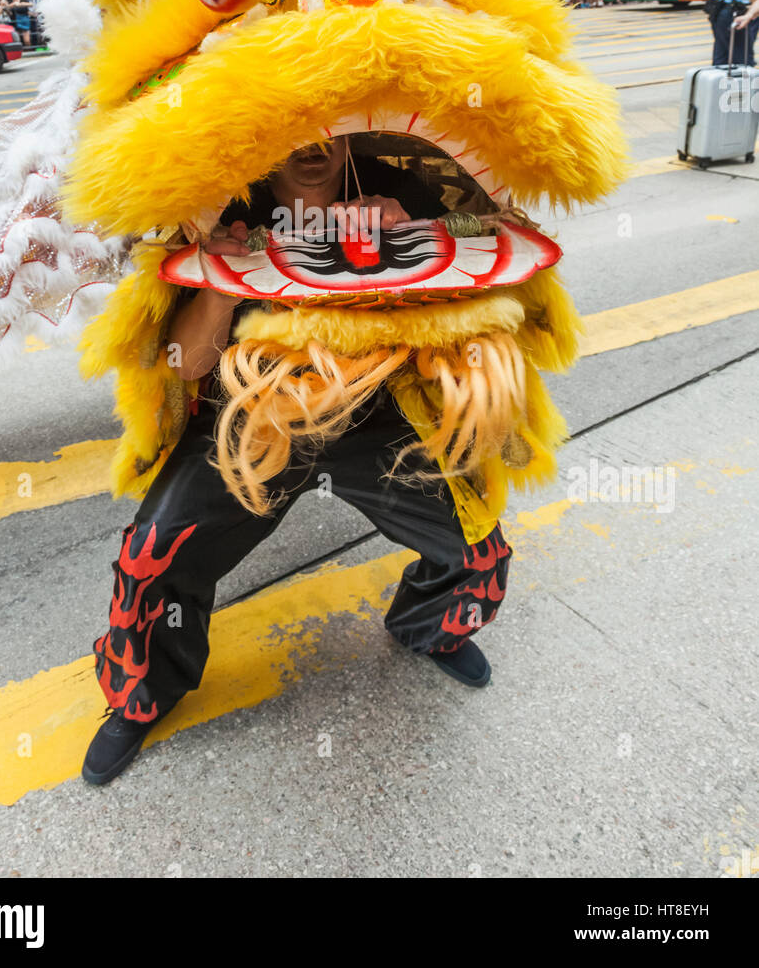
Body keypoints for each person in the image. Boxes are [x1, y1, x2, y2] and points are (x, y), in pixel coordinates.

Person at [81, 138, 513, 785]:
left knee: (478, 549)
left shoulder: (392, 190)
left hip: (370, 409)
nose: (310, 144)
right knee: (152, 555)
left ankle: (429, 627)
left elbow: (463, 312)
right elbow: (183, 364)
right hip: (248, 417)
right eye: (294, 125)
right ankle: (144, 694)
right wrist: (221, 291)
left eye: (326, 124)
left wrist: (414, 246)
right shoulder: (219, 206)